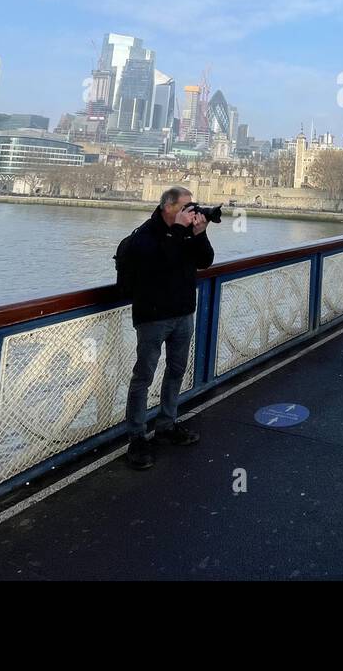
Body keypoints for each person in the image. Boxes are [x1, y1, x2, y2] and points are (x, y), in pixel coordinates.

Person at [117, 186, 214, 471]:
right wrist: (178, 233)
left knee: (176, 371)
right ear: (168, 207)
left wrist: (200, 234)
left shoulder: (184, 232)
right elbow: (161, 263)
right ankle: (136, 436)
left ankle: (166, 424)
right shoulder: (145, 236)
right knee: (143, 376)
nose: (191, 211)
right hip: (153, 317)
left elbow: (205, 261)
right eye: (186, 206)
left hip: (183, 313)